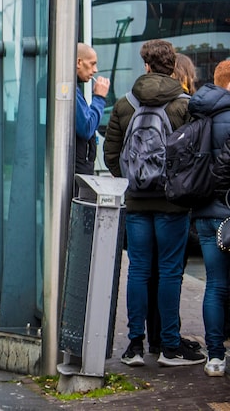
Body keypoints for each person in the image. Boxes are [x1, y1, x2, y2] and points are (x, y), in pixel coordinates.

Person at [104, 39, 204, 367]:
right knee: (170, 272)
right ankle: (170, 347)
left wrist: (134, 179)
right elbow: (193, 157)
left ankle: (134, 345)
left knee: (138, 270)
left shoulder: (124, 104)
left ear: (145, 65)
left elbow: (112, 154)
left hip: (136, 202)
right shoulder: (185, 105)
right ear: (173, 65)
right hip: (172, 204)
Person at [191, 59, 230, 376]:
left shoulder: (198, 114)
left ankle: (215, 356)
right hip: (228, 213)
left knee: (214, 285)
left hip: (204, 213)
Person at [75, 43, 110, 196]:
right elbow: (86, 128)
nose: (95, 70)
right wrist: (99, 98)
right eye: (92, 64)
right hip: (77, 170)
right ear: (78, 62)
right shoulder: (70, 90)